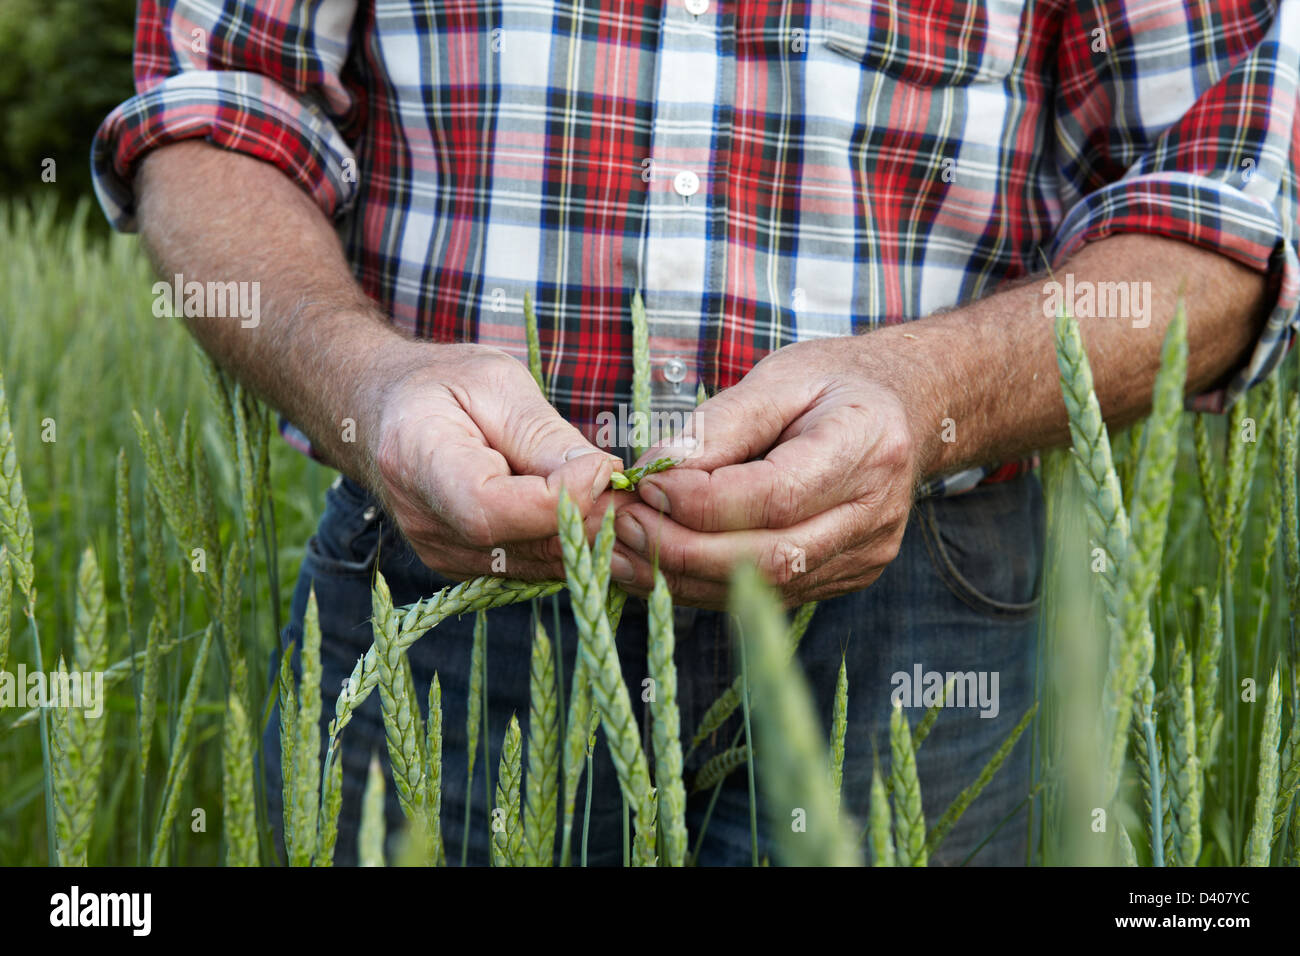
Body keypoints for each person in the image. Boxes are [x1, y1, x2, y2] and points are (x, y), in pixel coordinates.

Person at [92, 1, 1297, 865]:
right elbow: (216, 106)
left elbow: (1228, 210)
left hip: (917, 598)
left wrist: (922, 392)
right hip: (431, 564)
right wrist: (371, 382)